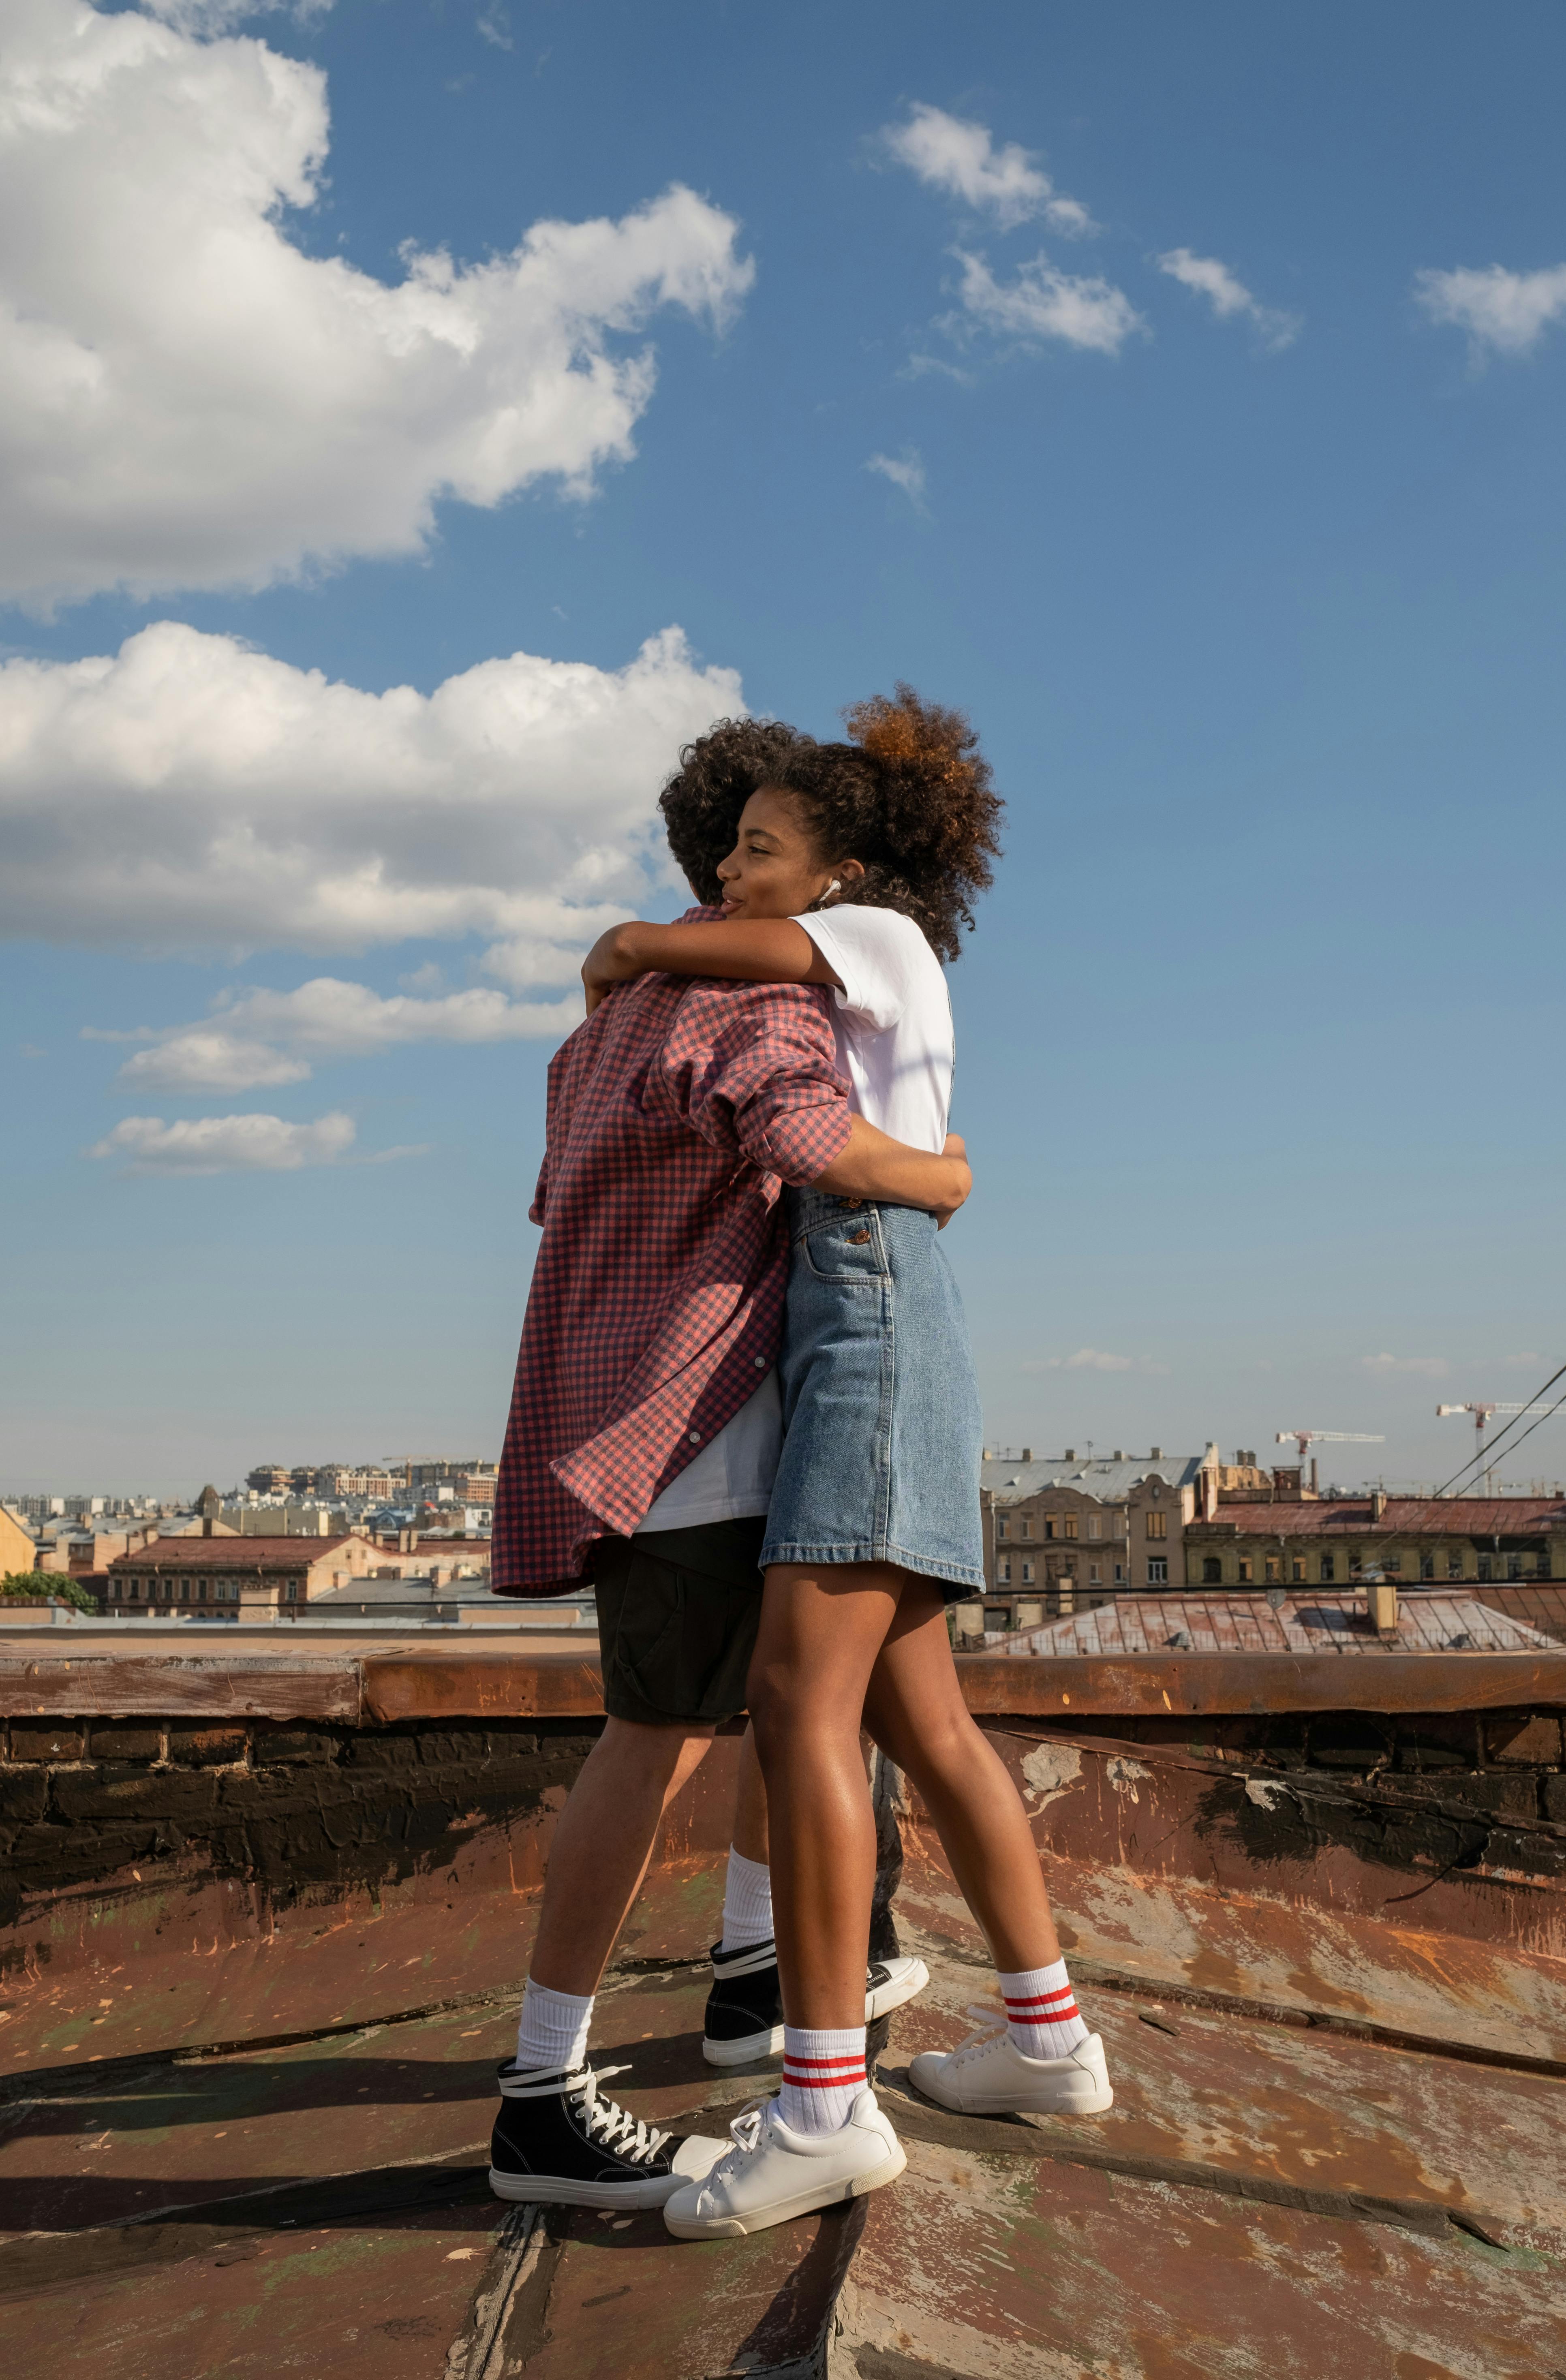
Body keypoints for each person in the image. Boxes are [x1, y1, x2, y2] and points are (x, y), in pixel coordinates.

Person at [580, 689, 1112, 2243]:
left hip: (864, 1301)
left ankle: (822, 2108)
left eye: (759, 850)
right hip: (873, 1296)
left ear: (840, 873)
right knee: (920, 1716)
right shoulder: (869, 958)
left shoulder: (873, 935)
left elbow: (741, 958)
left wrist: (627, 944)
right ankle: (1048, 2039)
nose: (729, 878)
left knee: (795, 1701)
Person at [485, 719, 967, 2213]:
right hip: (701, 1421)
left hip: (610, 1409)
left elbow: (553, 1192)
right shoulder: (757, 989)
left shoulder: (604, 1023)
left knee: (768, 1711)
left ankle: (758, 1976)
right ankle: (543, 2093)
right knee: (663, 1733)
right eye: (743, 845)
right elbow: (806, 1135)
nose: (739, 869)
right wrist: (946, 1174)